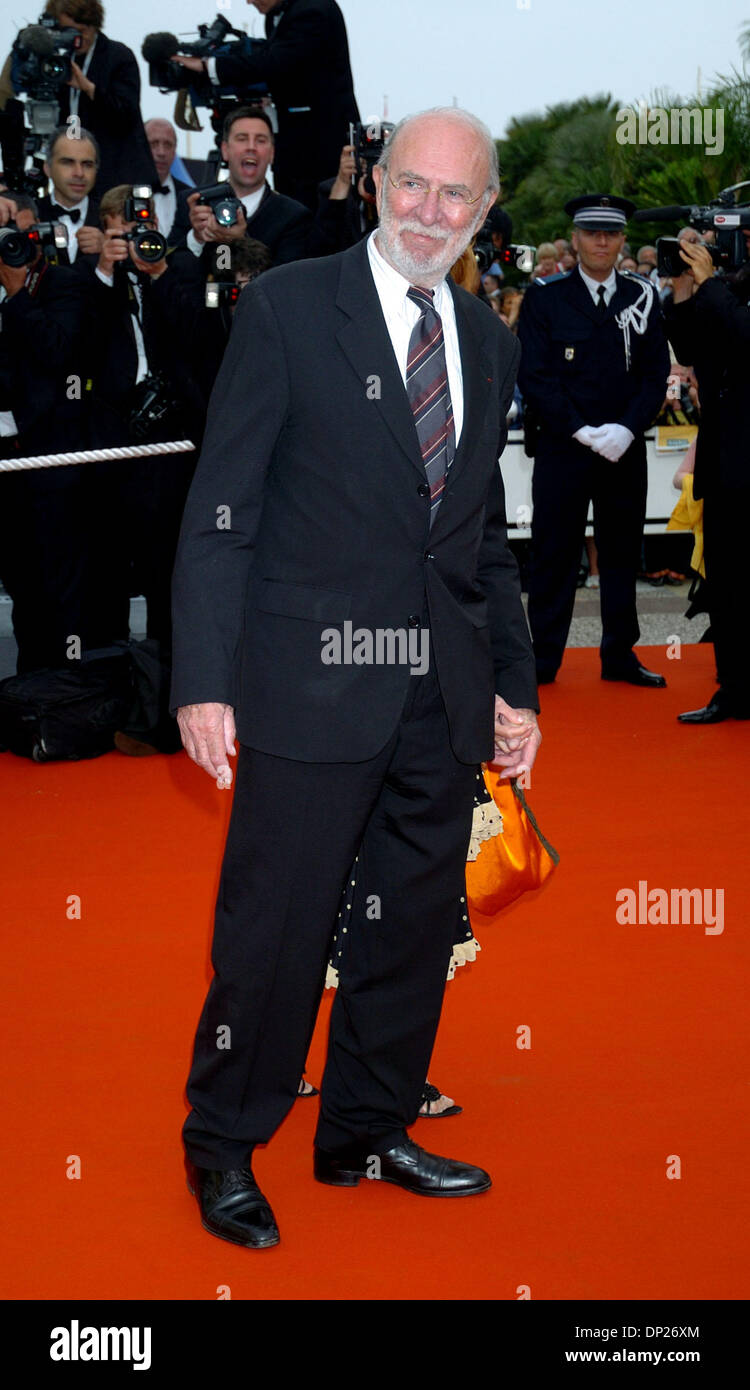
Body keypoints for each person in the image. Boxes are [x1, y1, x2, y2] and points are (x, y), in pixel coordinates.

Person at [171, 105, 541, 1249]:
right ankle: (224, 1142)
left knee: (412, 926)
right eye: (414, 186)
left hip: (437, 693)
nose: (431, 212)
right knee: (273, 933)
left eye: (457, 196)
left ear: (482, 212)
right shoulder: (287, 308)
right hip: (304, 687)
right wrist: (203, 678)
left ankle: (368, 1126)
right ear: (378, 183)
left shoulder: (488, 339)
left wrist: (514, 688)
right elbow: (221, 510)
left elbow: (480, 539)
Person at [517, 193, 671, 686]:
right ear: (575, 239)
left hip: (624, 449)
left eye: (611, 233)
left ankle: (620, 656)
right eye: (591, 232)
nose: (601, 241)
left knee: (622, 552)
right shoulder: (545, 294)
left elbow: (654, 374)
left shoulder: (642, 295)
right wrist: (581, 429)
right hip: (566, 446)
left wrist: (626, 428)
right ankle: (542, 660)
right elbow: (535, 375)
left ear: (623, 238)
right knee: (553, 553)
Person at [0, 192, 91, 672]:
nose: (11, 243)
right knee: (18, 584)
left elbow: (58, 353)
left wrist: (16, 295)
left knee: (54, 587)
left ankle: (57, 696)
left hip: (47, 461)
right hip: (4, 462)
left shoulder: (61, 285)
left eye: (20, 232)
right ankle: (23, 695)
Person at [663, 230, 750, 722]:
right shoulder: (725, 288)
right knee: (726, 580)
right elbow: (693, 348)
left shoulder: (726, 290)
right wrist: (683, 285)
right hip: (721, 463)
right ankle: (734, 690)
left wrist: (712, 282)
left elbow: (744, 335)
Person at [170, 0, 360, 212]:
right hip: (292, 147)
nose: (248, 2)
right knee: (293, 212)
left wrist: (208, 66)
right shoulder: (276, 15)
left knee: (317, 217)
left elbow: (275, 62)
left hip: (320, 148)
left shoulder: (312, 9)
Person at [169, 106, 312, 266]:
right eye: (242, 138)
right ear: (225, 150)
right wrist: (196, 238)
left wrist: (241, 240)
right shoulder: (195, 203)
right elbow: (167, 272)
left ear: (271, 154)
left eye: (260, 140)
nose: (251, 147)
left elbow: (285, 282)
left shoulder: (292, 216)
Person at [47, 0, 158, 195]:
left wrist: (89, 88)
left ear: (94, 25)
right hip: (74, 177)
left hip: (118, 177)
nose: (78, 39)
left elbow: (125, 115)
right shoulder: (57, 61)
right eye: (69, 31)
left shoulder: (118, 56)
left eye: (82, 31)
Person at [144, 118, 192, 240]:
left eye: (168, 145)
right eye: (154, 144)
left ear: (175, 149)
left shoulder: (190, 196)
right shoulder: (124, 193)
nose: (161, 152)